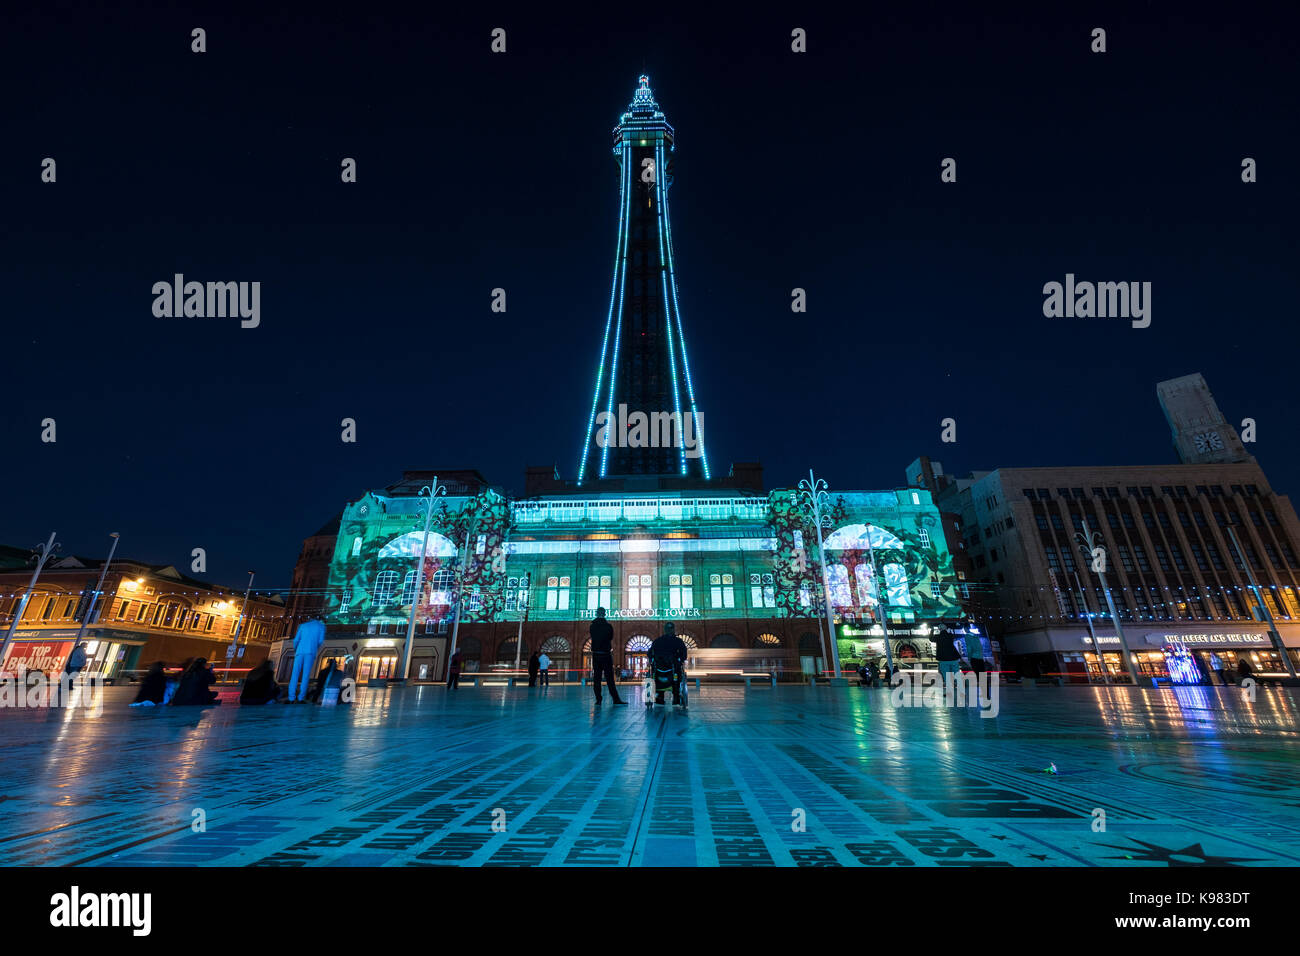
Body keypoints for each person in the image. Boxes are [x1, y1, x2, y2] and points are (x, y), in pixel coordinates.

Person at [589, 607, 626, 705]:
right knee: (610, 678)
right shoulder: (608, 626)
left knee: (597, 678)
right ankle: (615, 699)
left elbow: (593, 636)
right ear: (604, 614)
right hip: (606, 654)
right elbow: (610, 637)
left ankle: (598, 700)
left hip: (596, 654)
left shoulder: (592, 626)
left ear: (597, 614)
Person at [648, 622, 688, 707]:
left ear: (664, 630)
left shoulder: (657, 641)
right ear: (673, 630)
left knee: (656, 675)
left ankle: (659, 696)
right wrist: (680, 660)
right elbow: (684, 655)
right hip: (673, 671)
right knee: (677, 674)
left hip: (659, 670)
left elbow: (650, 653)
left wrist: (652, 660)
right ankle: (676, 696)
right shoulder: (678, 641)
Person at [288, 619, 325, 703]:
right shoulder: (321, 626)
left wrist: (296, 649)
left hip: (299, 651)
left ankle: (291, 698)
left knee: (294, 674)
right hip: (311, 652)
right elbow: (320, 641)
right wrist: (315, 648)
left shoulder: (303, 625)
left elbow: (296, 640)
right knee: (305, 675)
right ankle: (301, 698)